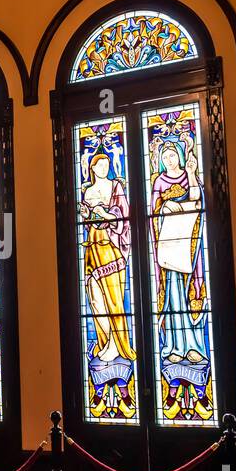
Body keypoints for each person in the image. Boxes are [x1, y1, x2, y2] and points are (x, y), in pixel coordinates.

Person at [149, 137, 211, 420]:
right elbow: (152, 210)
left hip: (190, 244)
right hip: (169, 248)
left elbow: (199, 199)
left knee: (190, 294)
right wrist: (164, 208)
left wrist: (195, 173)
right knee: (173, 298)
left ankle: (193, 347)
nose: (169, 161)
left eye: (173, 156)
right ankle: (174, 346)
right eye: (165, 157)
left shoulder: (189, 177)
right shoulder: (159, 182)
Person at [80, 146, 135, 418]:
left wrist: (103, 214)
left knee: (114, 298)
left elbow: (123, 220)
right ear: (91, 168)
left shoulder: (117, 187)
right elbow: (87, 220)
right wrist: (88, 213)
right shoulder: (87, 192)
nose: (102, 168)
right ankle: (104, 341)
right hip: (93, 245)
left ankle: (117, 342)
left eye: (106, 164)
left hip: (112, 248)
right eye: (98, 165)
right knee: (95, 297)